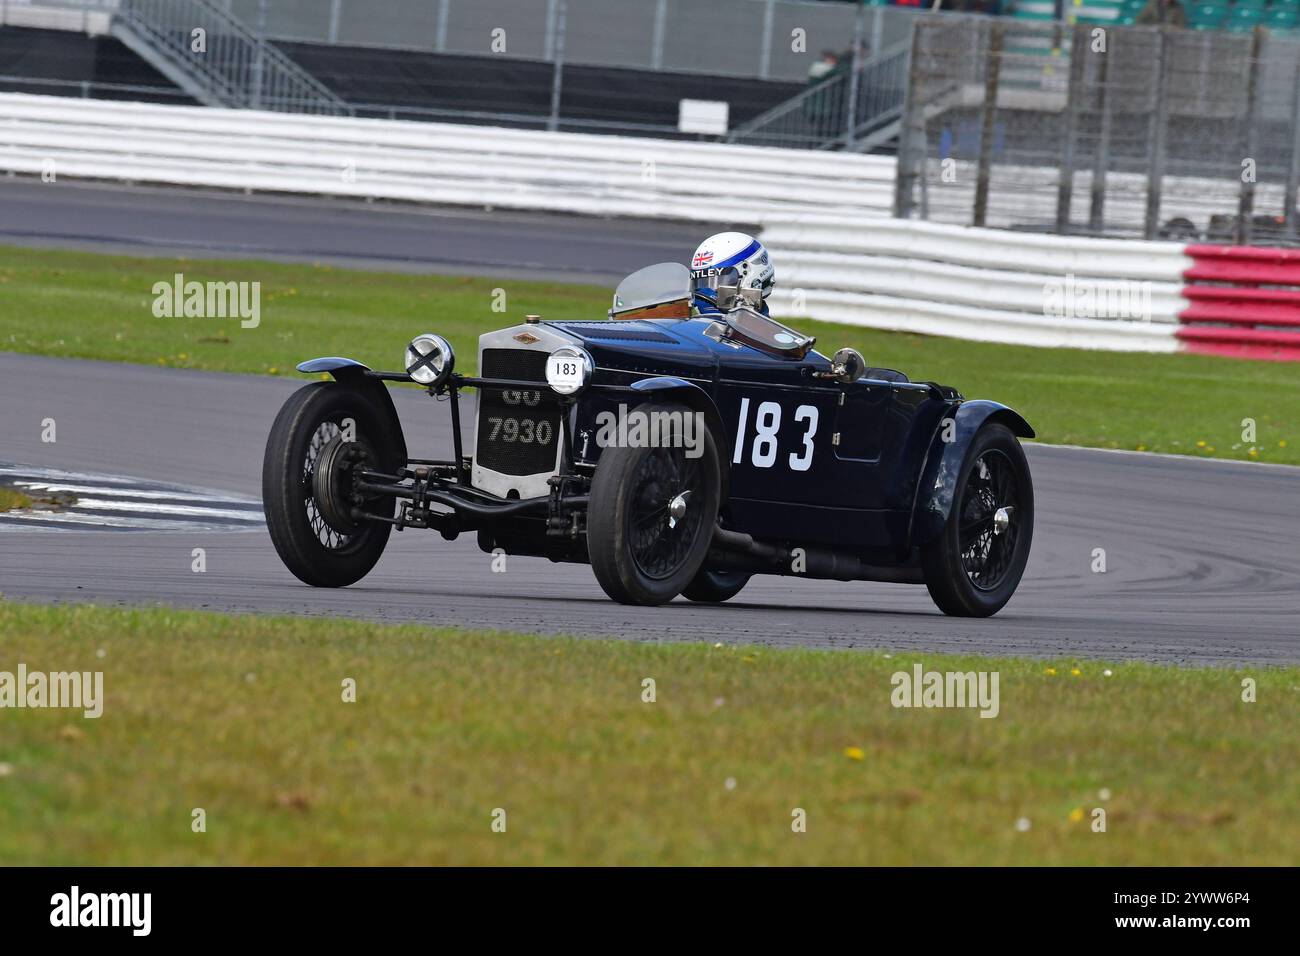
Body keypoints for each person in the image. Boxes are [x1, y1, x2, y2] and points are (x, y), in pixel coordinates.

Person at [689, 232, 775, 317]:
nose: (706, 293)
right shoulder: (687, 322)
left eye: (720, 281)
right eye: (701, 283)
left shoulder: (764, 329)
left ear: (749, 273)